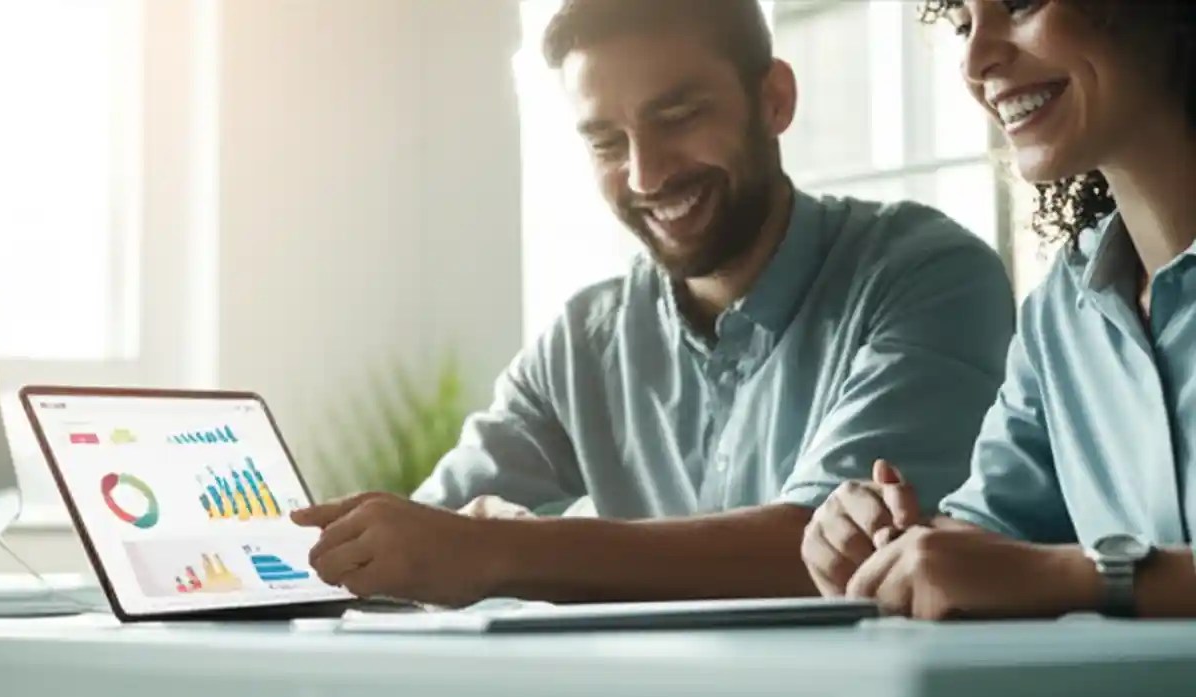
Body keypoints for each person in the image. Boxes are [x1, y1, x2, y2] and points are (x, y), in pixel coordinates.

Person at [290, 0, 1014, 608]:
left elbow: (825, 553)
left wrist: (495, 550)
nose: (646, 172)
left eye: (678, 115)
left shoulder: (929, 278)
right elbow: (420, 538)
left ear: (774, 100)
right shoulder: (584, 341)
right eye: (607, 141)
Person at [802, 0, 1196, 620]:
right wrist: (885, 549)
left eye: (1019, 4)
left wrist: (1088, 577)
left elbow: (1041, 574)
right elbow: (988, 544)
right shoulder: (1058, 320)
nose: (977, 58)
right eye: (962, 24)